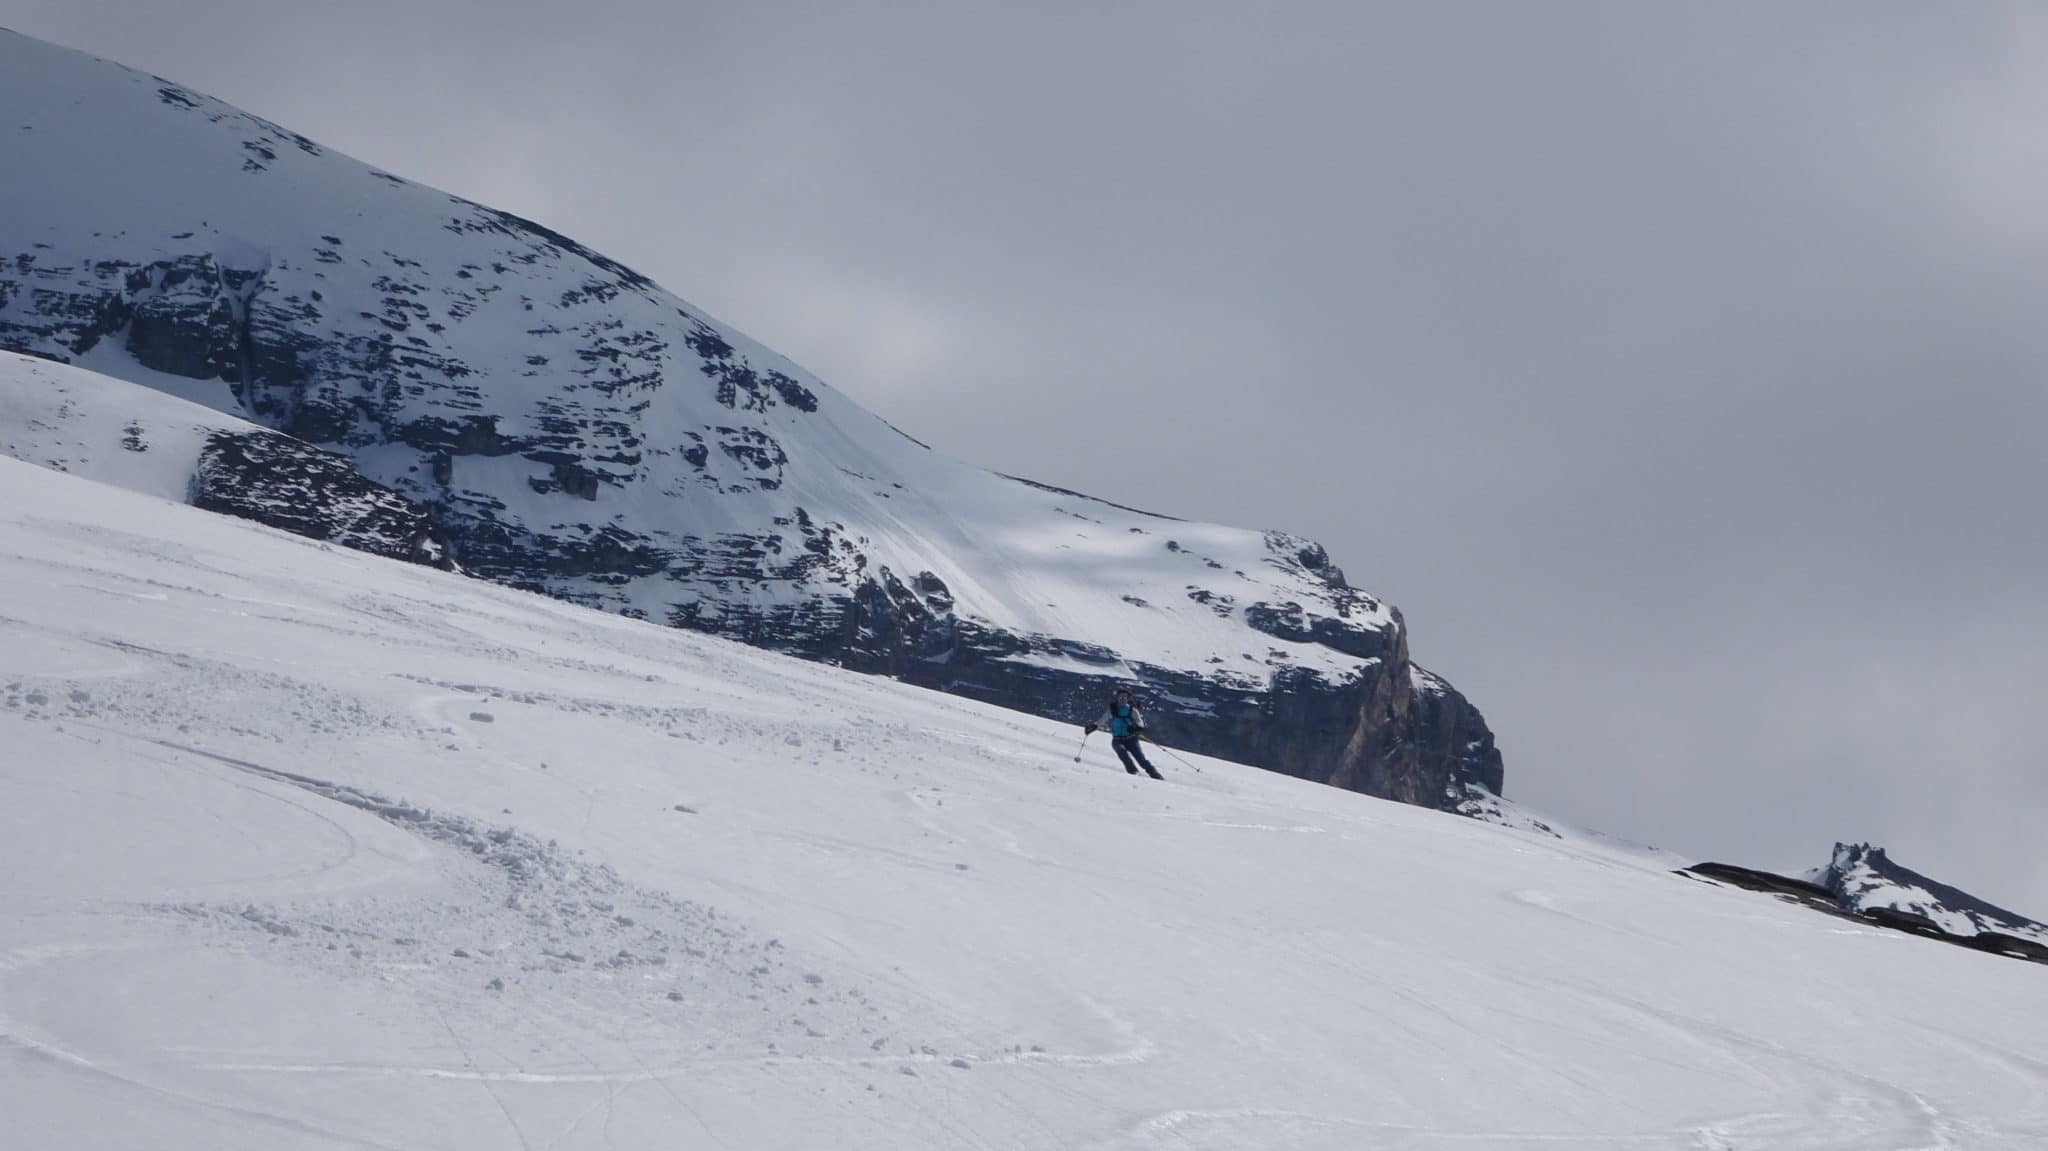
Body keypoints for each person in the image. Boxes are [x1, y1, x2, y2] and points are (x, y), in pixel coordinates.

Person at [1084, 687, 1163, 779]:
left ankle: (1154, 774)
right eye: (1120, 697)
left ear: (1128, 699)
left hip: (1131, 739)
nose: (1122, 700)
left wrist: (1136, 728)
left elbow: (1140, 723)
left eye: (1124, 698)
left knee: (1141, 759)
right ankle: (1133, 773)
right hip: (1117, 739)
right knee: (1122, 753)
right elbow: (1103, 720)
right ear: (1117, 698)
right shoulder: (1112, 710)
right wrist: (1094, 726)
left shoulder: (1132, 710)